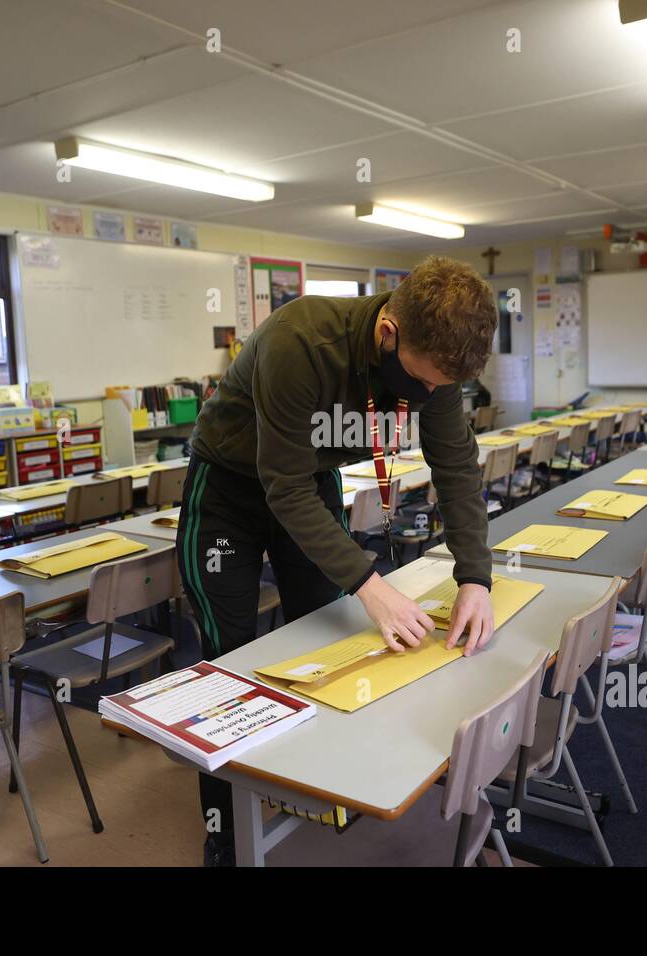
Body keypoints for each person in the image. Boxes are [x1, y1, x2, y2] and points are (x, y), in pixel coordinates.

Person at [177, 255, 499, 865]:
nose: (428, 396)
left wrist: (474, 578)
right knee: (229, 660)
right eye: (423, 382)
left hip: (311, 483)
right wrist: (370, 585)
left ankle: (320, 788)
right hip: (228, 492)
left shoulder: (435, 362)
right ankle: (226, 833)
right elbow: (282, 485)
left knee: (326, 645)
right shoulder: (301, 341)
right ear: (388, 335)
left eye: (440, 387)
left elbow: (456, 469)